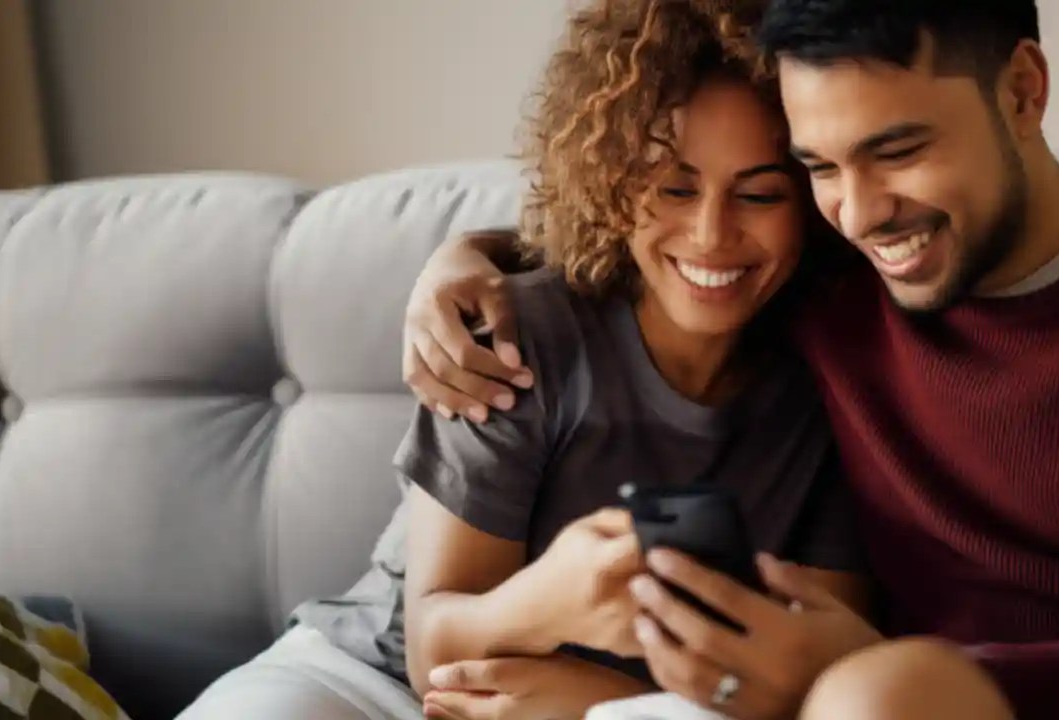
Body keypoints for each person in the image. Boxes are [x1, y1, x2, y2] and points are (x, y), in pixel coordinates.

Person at [403, 1, 1059, 718]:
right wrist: (465, 263)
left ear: (1021, 91)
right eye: (818, 166)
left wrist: (882, 674)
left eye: (898, 151)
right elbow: (667, 243)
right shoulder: (833, 278)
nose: (859, 214)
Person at [177, 1, 894, 719]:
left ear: (810, 197)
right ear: (614, 179)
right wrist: (547, 604)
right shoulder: (522, 334)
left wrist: (612, 697)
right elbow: (434, 647)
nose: (712, 233)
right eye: (674, 186)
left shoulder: (820, 388)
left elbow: (809, 678)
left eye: (760, 193)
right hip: (376, 681)